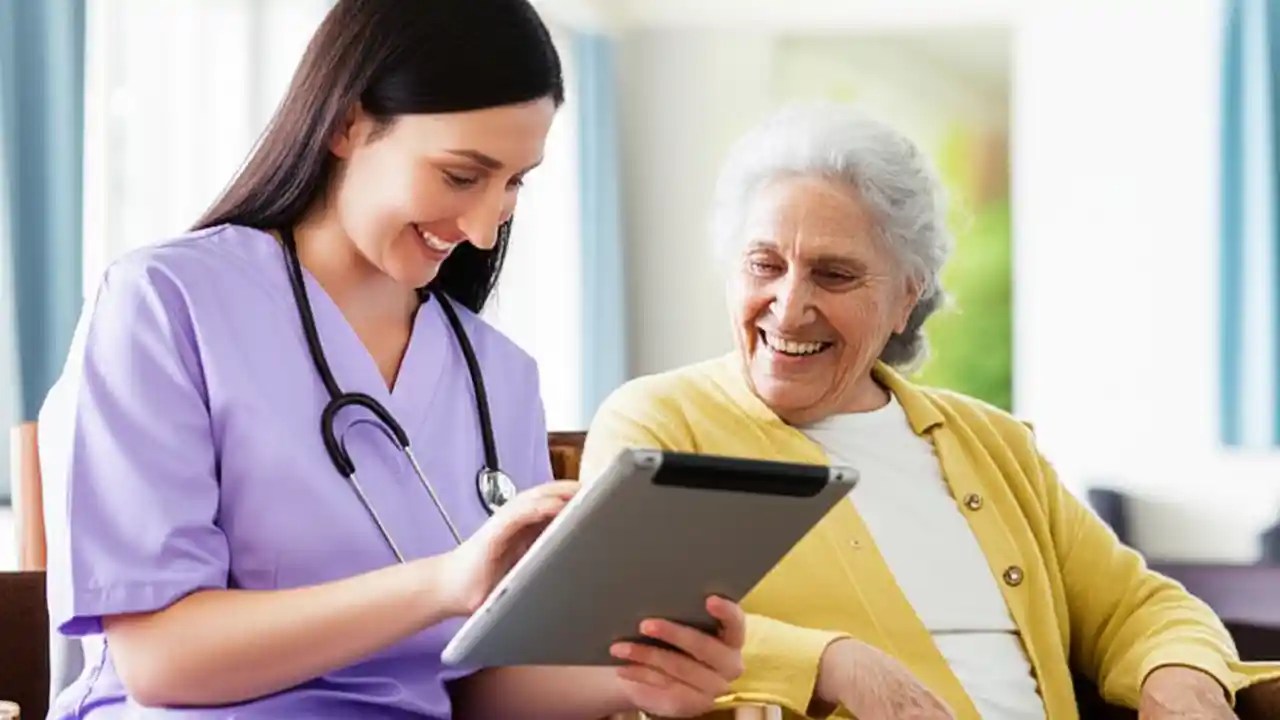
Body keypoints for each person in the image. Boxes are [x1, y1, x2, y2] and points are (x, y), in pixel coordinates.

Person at [39, 1, 745, 717]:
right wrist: (441, 584)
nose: (481, 226)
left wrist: (643, 677)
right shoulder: (165, 303)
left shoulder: (497, 375)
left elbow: (475, 690)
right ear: (347, 122)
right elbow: (162, 661)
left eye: (513, 183)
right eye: (461, 175)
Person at [580, 104, 1280, 719]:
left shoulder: (992, 443)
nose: (789, 305)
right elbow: (618, 619)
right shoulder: (662, 423)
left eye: (834, 273)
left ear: (907, 296)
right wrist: (835, 663)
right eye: (764, 265)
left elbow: (1140, 605)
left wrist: (1181, 681)